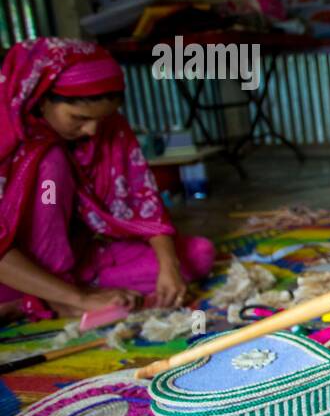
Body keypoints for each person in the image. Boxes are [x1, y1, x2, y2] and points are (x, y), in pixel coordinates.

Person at [0, 39, 215, 320]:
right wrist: (79, 297)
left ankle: (52, 297)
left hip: (80, 257)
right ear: (40, 98)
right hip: (15, 269)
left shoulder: (105, 127)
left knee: (197, 255)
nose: (91, 130)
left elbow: (144, 199)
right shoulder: (12, 138)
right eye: (78, 118)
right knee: (51, 173)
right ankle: (44, 299)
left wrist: (169, 266)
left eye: (101, 119)